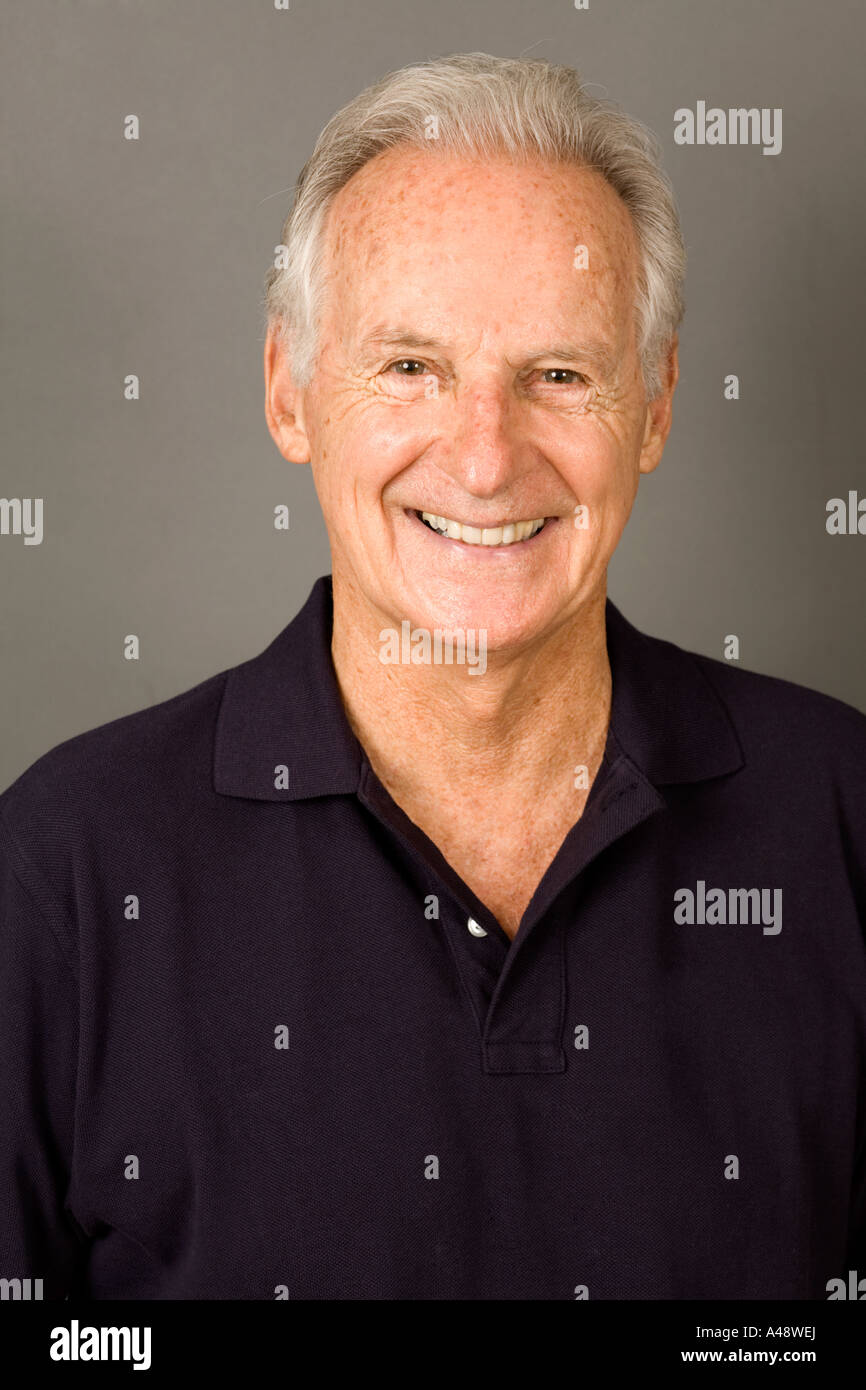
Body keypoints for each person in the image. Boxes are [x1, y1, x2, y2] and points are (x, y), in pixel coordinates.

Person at [2, 53, 864, 1301]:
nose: (481, 458)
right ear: (288, 393)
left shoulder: (841, 821)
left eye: (558, 374)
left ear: (657, 403)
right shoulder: (63, 874)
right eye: (409, 367)